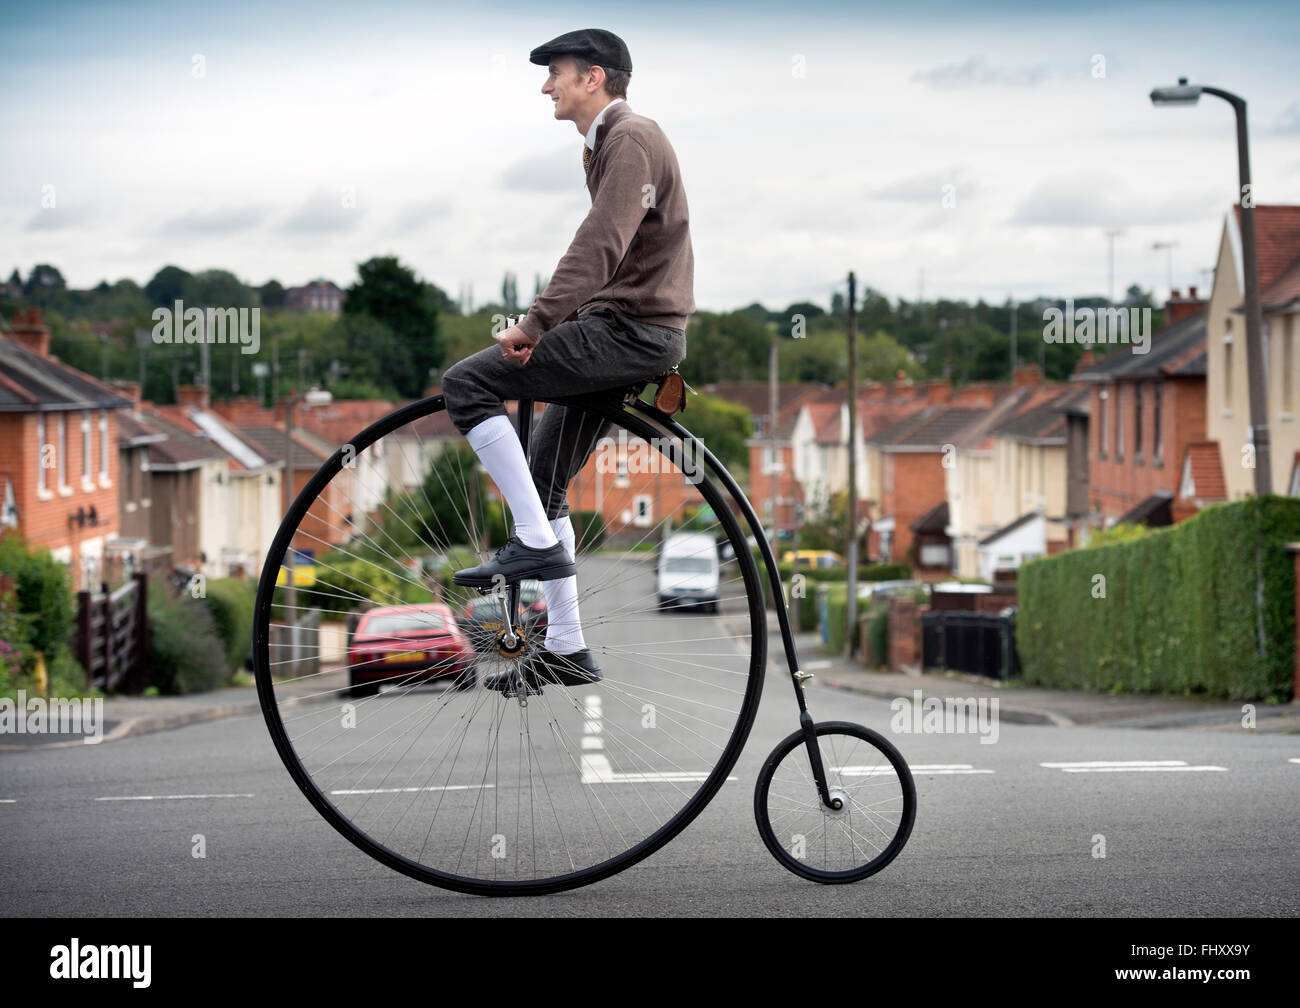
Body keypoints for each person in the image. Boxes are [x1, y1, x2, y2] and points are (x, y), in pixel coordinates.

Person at [441, 28, 695, 690]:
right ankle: (568, 645)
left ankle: (536, 544)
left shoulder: (630, 138)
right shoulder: (608, 146)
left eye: (556, 72)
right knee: (545, 477)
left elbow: (601, 244)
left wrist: (535, 324)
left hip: (629, 334)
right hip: (627, 331)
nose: (545, 85)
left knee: (466, 384)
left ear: (595, 78)